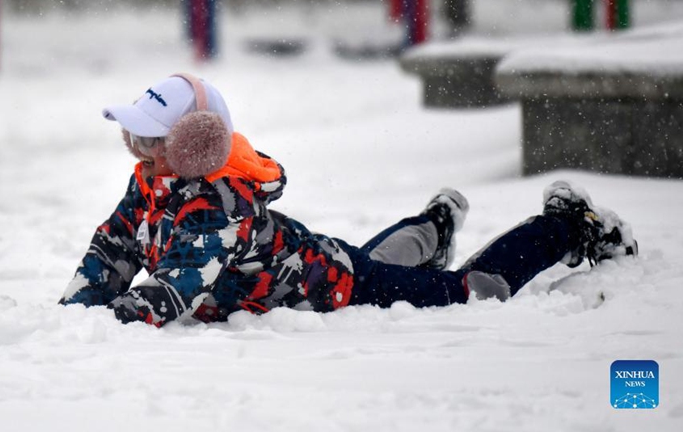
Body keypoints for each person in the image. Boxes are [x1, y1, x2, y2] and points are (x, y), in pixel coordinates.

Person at [59, 74, 637, 326]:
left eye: (150, 139)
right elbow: (114, 246)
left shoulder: (220, 206)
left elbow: (178, 286)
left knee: (471, 292)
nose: (138, 150)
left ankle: (570, 226)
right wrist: (79, 306)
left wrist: (121, 315)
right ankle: (435, 224)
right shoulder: (152, 183)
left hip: (334, 287)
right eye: (132, 135)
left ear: (197, 144)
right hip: (321, 261)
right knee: (375, 259)